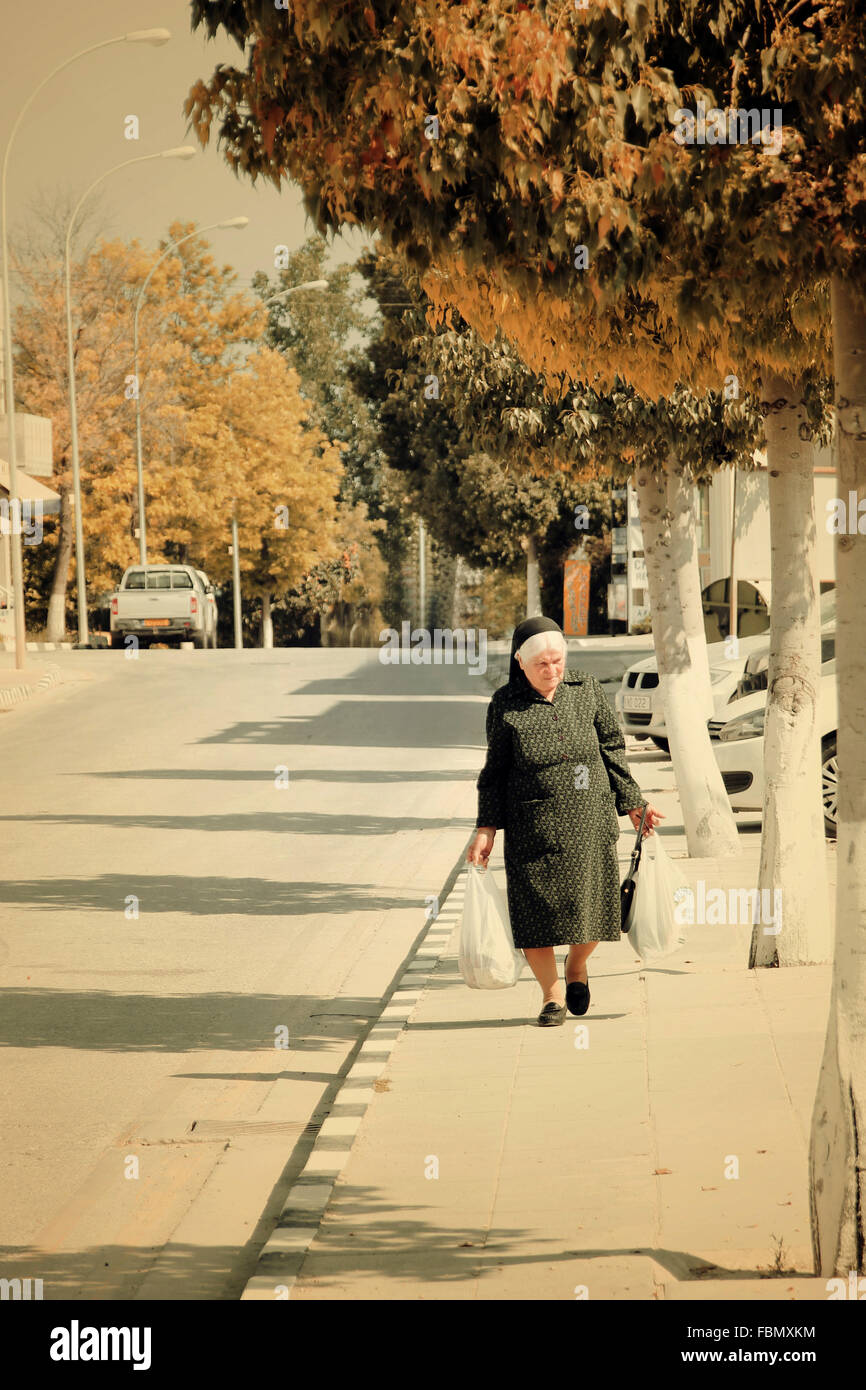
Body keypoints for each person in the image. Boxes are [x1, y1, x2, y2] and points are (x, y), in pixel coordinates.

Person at [466, 616, 664, 1026]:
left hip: (589, 819)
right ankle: (551, 995)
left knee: (593, 907)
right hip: (532, 824)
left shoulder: (586, 689)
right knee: (534, 914)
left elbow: (612, 747)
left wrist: (633, 803)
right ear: (520, 662)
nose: (552, 670)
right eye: (542, 664)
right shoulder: (506, 703)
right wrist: (486, 828)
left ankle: (577, 966)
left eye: (558, 661)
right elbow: (495, 771)